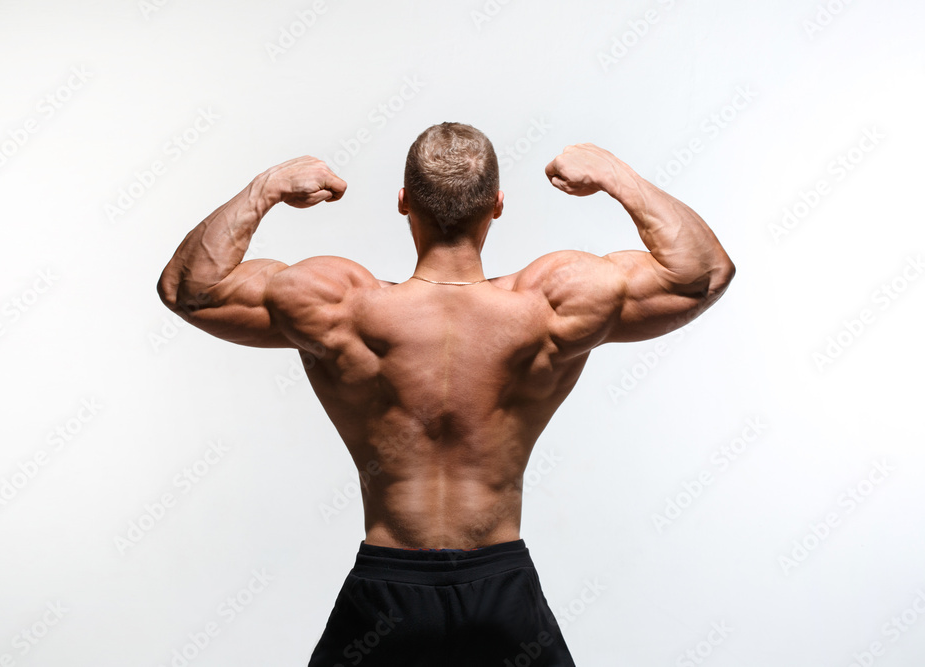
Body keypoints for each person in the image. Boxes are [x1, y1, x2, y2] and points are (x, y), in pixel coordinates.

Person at [157, 122, 735, 666]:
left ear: (404, 200)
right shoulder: (551, 306)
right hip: (502, 594)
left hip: (386, 594)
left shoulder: (338, 307)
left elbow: (189, 289)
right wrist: (614, 174)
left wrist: (267, 190)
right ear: (498, 205)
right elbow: (702, 274)